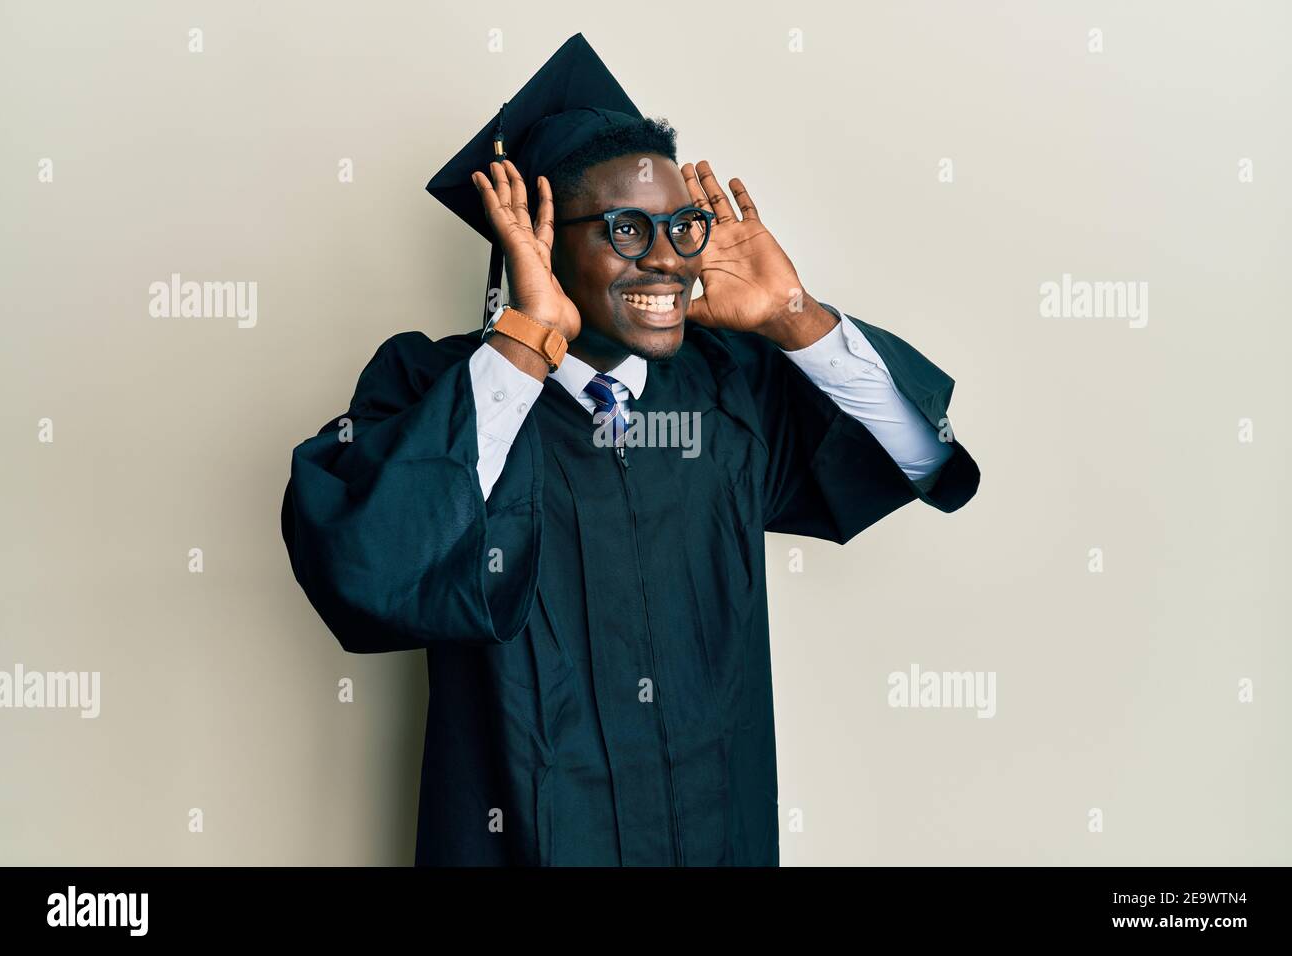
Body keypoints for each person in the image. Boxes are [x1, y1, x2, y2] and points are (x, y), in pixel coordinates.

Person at [280, 33, 980, 866]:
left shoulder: (731, 389)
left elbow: (921, 457)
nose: (666, 259)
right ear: (536, 242)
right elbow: (367, 565)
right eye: (625, 228)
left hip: (718, 837)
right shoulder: (438, 387)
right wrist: (522, 345)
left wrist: (793, 315)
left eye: (681, 226)